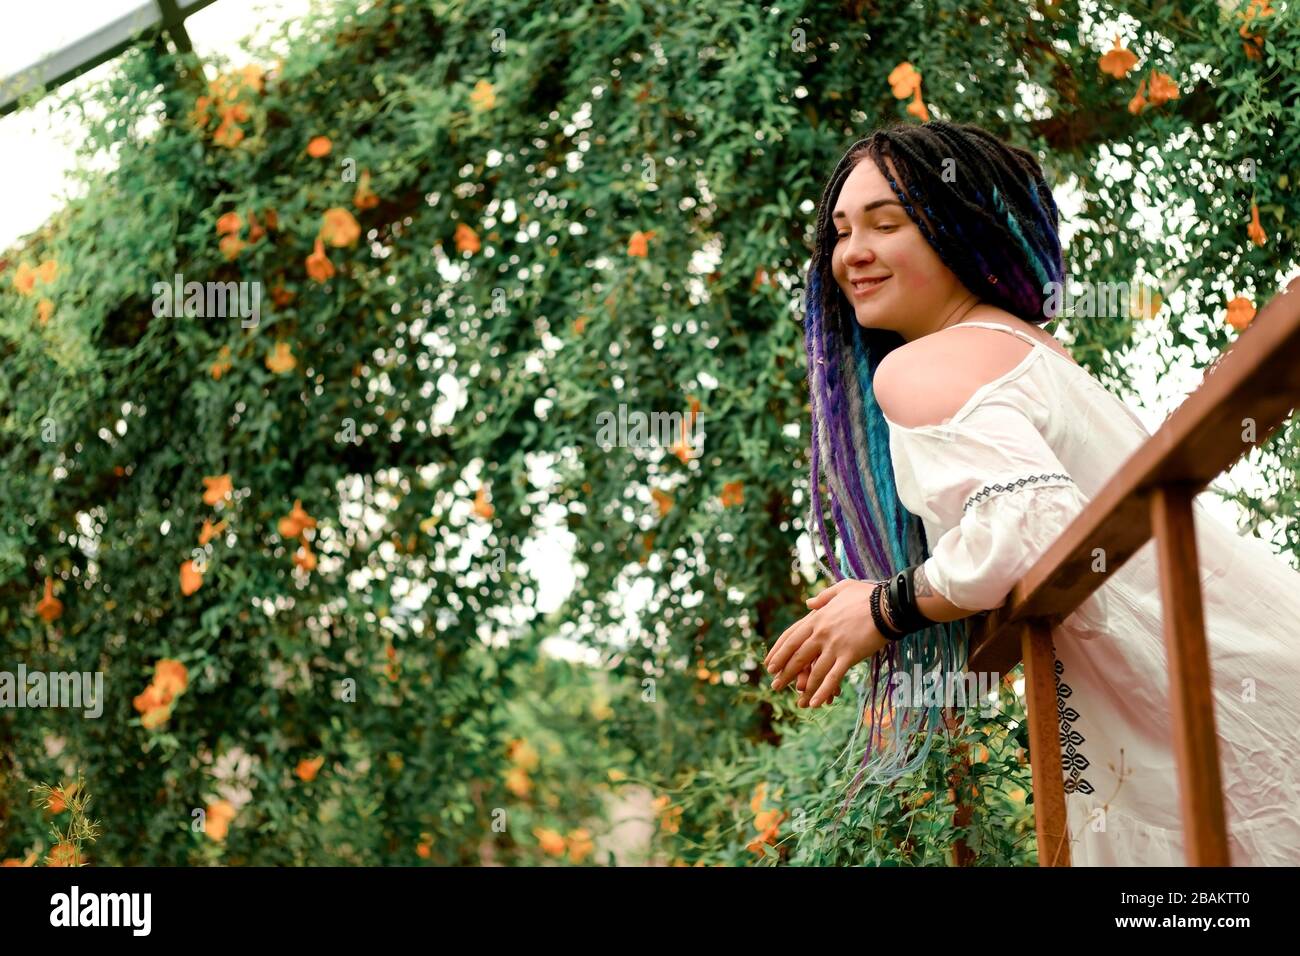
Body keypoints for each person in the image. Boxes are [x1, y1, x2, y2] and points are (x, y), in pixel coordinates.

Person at [763, 120, 1300, 865]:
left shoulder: (924, 365)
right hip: (1249, 682)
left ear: (960, 228)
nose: (852, 253)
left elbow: (1033, 523)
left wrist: (885, 607)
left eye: (887, 223)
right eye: (840, 231)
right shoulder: (1025, 349)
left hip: (1232, 707)